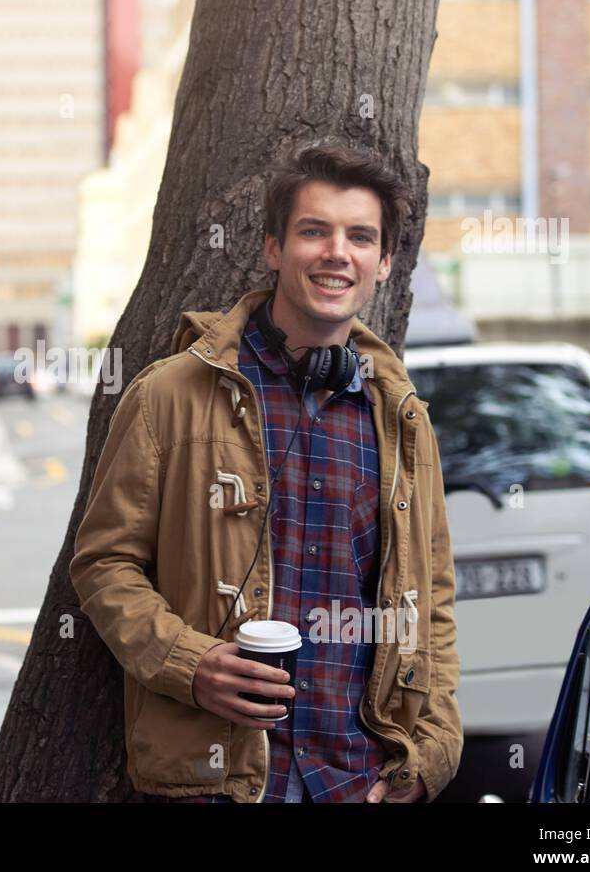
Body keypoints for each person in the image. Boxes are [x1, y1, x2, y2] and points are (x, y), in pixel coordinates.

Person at [69, 141, 462, 803]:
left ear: (385, 263)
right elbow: (105, 564)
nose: (339, 252)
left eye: (361, 237)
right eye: (315, 231)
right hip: (219, 781)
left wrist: (430, 757)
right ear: (274, 248)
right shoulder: (169, 395)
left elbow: (436, 602)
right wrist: (190, 665)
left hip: (355, 781)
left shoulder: (403, 422)